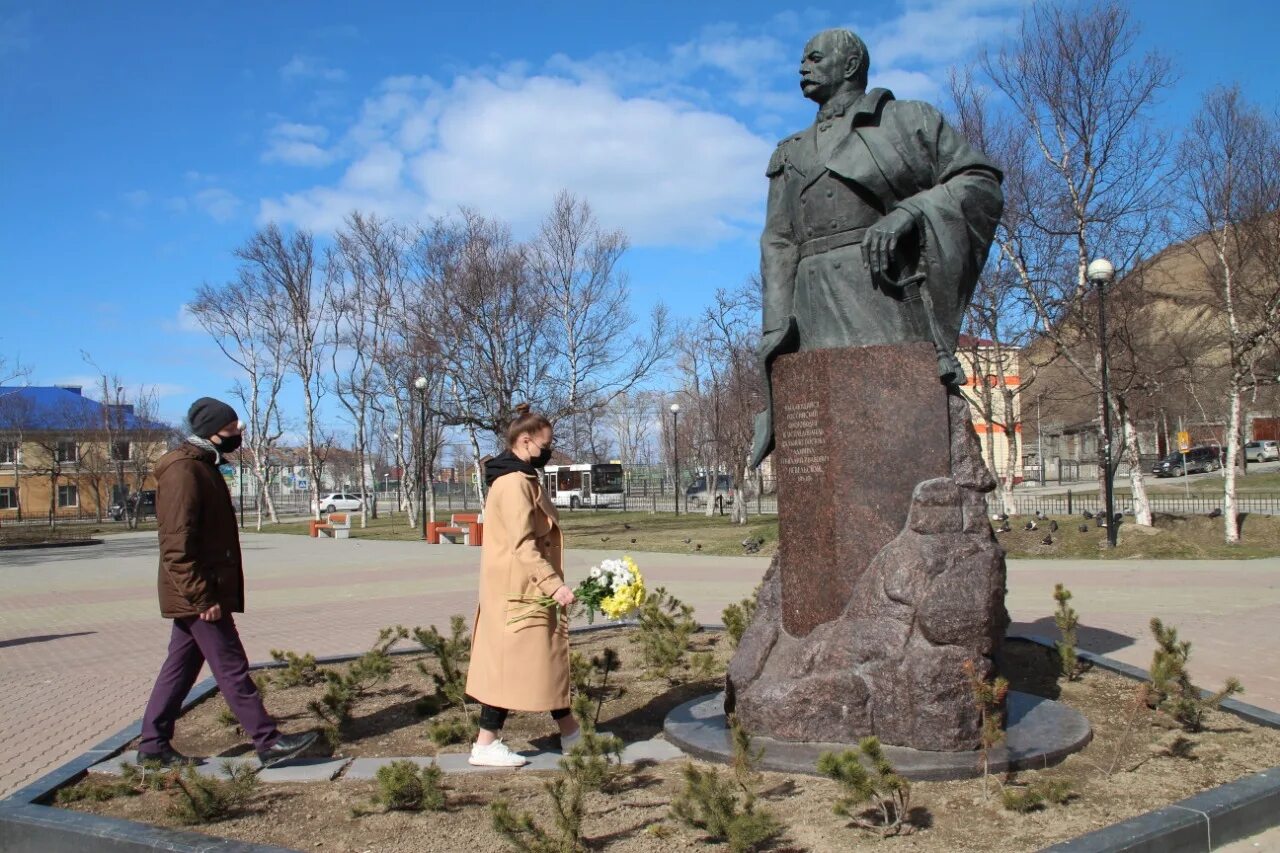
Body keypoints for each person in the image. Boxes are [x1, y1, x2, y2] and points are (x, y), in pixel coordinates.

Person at [749, 27, 1004, 468]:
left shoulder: (906, 121)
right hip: (810, 302)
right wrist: (777, 326)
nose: (802, 67)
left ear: (850, 66)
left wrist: (912, 212)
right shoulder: (789, 151)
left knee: (899, 426)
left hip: (878, 289)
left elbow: (977, 180)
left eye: (814, 57)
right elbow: (778, 239)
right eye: (803, 59)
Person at [138, 397, 318, 768]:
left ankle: (153, 746)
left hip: (201, 590)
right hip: (199, 593)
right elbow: (176, 545)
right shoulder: (183, 472)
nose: (240, 433)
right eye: (234, 428)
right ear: (212, 431)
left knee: (180, 669)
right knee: (231, 665)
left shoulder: (203, 466)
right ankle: (267, 742)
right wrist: (202, 597)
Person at [464, 405, 579, 767]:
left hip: (521, 588)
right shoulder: (514, 484)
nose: (549, 450)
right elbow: (522, 544)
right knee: (512, 665)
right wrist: (553, 584)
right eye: (545, 445)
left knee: (539, 662)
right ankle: (485, 744)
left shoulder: (520, 477)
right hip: (520, 589)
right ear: (525, 441)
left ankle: (571, 733)